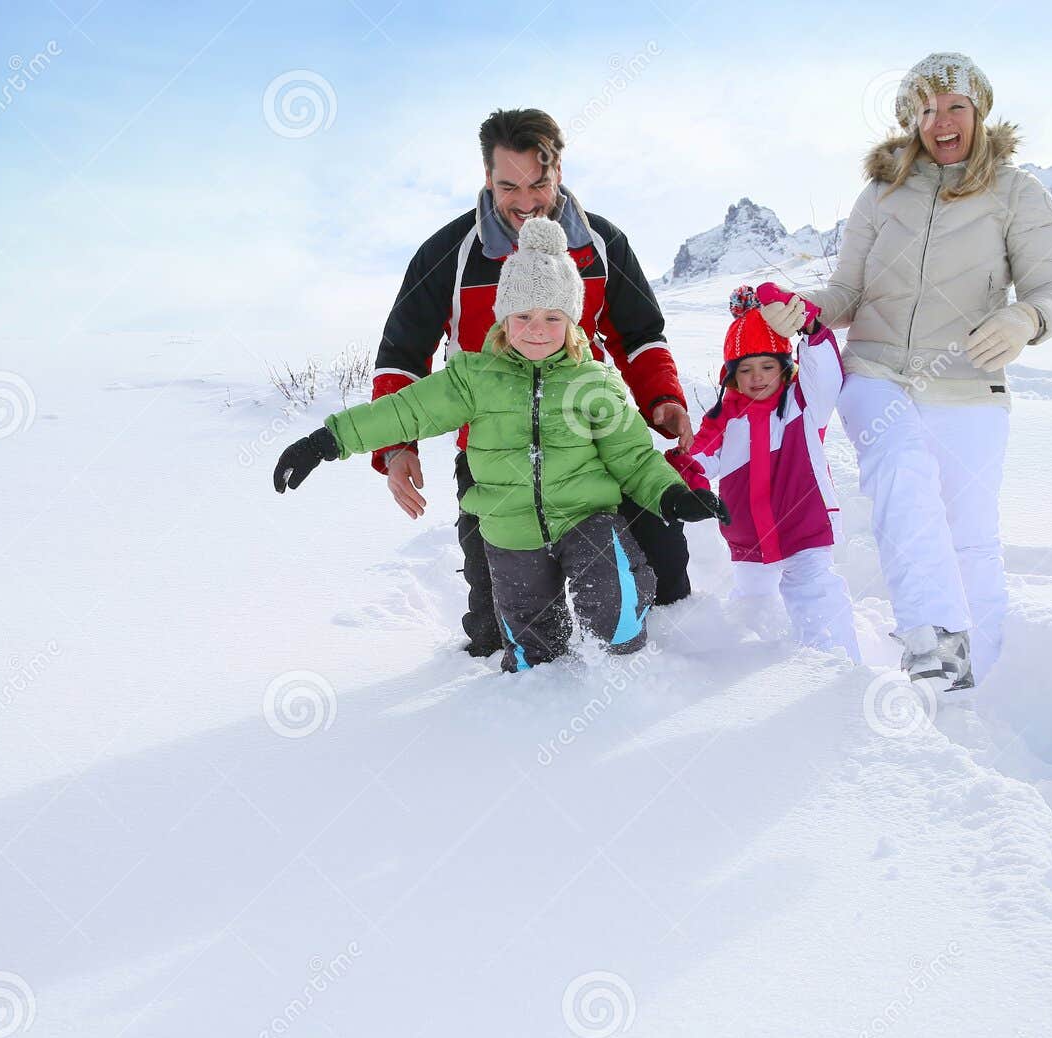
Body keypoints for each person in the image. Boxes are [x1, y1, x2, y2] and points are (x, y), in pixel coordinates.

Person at [274, 217, 727, 674]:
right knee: (532, 651)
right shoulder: (472, 378)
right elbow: (402, 410)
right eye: (523, 315)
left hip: (586, 519)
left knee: (611, 598)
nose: (537, 329)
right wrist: (326, 442)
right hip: (509, 535)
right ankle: (531, 711)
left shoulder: (593, 381)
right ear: (502, 318)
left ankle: (628, 676)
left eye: (552, 317)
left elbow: (632, 458)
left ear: (571, 323)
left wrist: (673, 496)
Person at [793, 53, 1052, 690]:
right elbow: (846, 292)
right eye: (925, 109)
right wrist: (804, 311)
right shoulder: (881, 193)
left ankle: (986, 687)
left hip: (969, 379)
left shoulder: (1017, 192)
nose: (940, 121)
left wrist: (1024, 319)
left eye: (954, 106)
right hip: (875, 370)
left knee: (971, 535)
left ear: (978, 110)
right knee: (902, 476)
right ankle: (933, 641)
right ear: (909, 118)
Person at [371, 108, 697, 658]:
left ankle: (658, 680)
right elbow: (402, 355)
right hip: (493, 456)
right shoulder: (447, 256)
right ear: (486, 178)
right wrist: (397, 444)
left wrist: (662, 398)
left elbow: (640, 334)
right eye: (508, 186)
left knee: (663, 576)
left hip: (592, 441)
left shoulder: (602, 245)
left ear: (559, 171)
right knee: (497, 633)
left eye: (539, 183)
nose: (525, 201)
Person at [668, 285, 861, 661]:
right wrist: (688, 475)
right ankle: (751, 665)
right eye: (745, 369)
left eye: (768, 366)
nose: (757, 377)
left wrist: (810, 326)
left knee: (813, 589)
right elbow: (700, 457)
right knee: (752, 603)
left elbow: (826, 375)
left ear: (785, 367)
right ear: (731, 376)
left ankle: (837, 666)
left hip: (804, 523)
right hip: (747, 533)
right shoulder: (724, 418)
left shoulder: (805, 405)